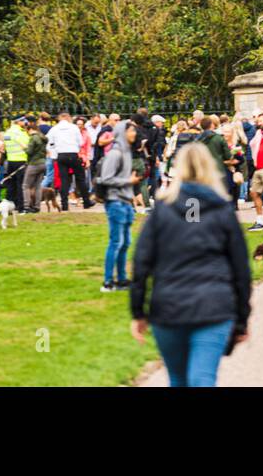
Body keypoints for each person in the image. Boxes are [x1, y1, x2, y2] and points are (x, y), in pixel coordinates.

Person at [130, 143, 251, 387]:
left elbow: (141, 264)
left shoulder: (162, 212)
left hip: (169, 305)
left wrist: (138, 311)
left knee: (180, 379)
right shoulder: (223, 211)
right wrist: (241, 318)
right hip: (214, 306)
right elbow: (241, 270)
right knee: (202, 378)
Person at [98, 120, 140, 292]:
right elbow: (106, 179)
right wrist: (128, 181)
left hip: (125, 202)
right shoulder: (115, 153)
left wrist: (131, 196)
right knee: (116, 242)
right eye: (131, 131)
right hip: (115, 201)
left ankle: (121, 279)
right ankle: (108, 282)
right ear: (123, 133)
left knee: (125, 242)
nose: (134, 134)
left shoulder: (127, 152)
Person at [47, 112, 92, 210]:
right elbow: (80, 142)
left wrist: (54, 154)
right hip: (73, 154)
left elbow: (49, 143)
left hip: (61, 155)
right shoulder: (74, 128)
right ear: (68, 118)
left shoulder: (54, 129)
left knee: (64, 180)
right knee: (81, 179)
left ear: (59, 118)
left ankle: (64, 205)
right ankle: (86, 202)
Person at [22, 119, 47, 213]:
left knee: (25, 185)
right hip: (42, 163)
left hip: (34, 164)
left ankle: (27, 206)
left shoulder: (33, 138)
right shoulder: (42, 137)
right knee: (37, 186)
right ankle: (37, 207)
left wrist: (24, 147)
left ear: (30, 129)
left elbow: (29, 151)